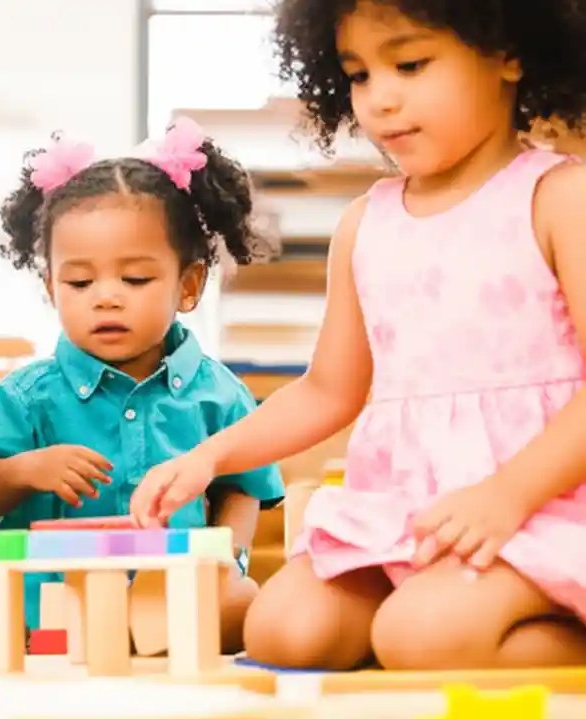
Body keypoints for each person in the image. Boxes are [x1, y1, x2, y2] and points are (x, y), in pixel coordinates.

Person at [129, 0, 586, 671]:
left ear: (508, 54)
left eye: (410, 64)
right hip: (400, 511)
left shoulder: (560, 197)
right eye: (360, 75)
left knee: (419, 637)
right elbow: (326, 390)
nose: (380, 98)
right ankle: (433, 627)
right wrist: (209, 457)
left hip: (541, 507)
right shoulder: (365, 225)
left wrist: (506, 495)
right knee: (284, 631)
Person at [0, 117, 285, 652]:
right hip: (48, 593)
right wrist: (26, 469)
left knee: (244, 603)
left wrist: (227, 559)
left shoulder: (218, 394)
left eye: (134, 279)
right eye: (80, 282)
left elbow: (245, 487)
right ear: (51, 287)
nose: (106, 297)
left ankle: (128, 638)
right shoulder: (28, 394)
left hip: (170, 594)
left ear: (189, 284)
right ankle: (85, 639)